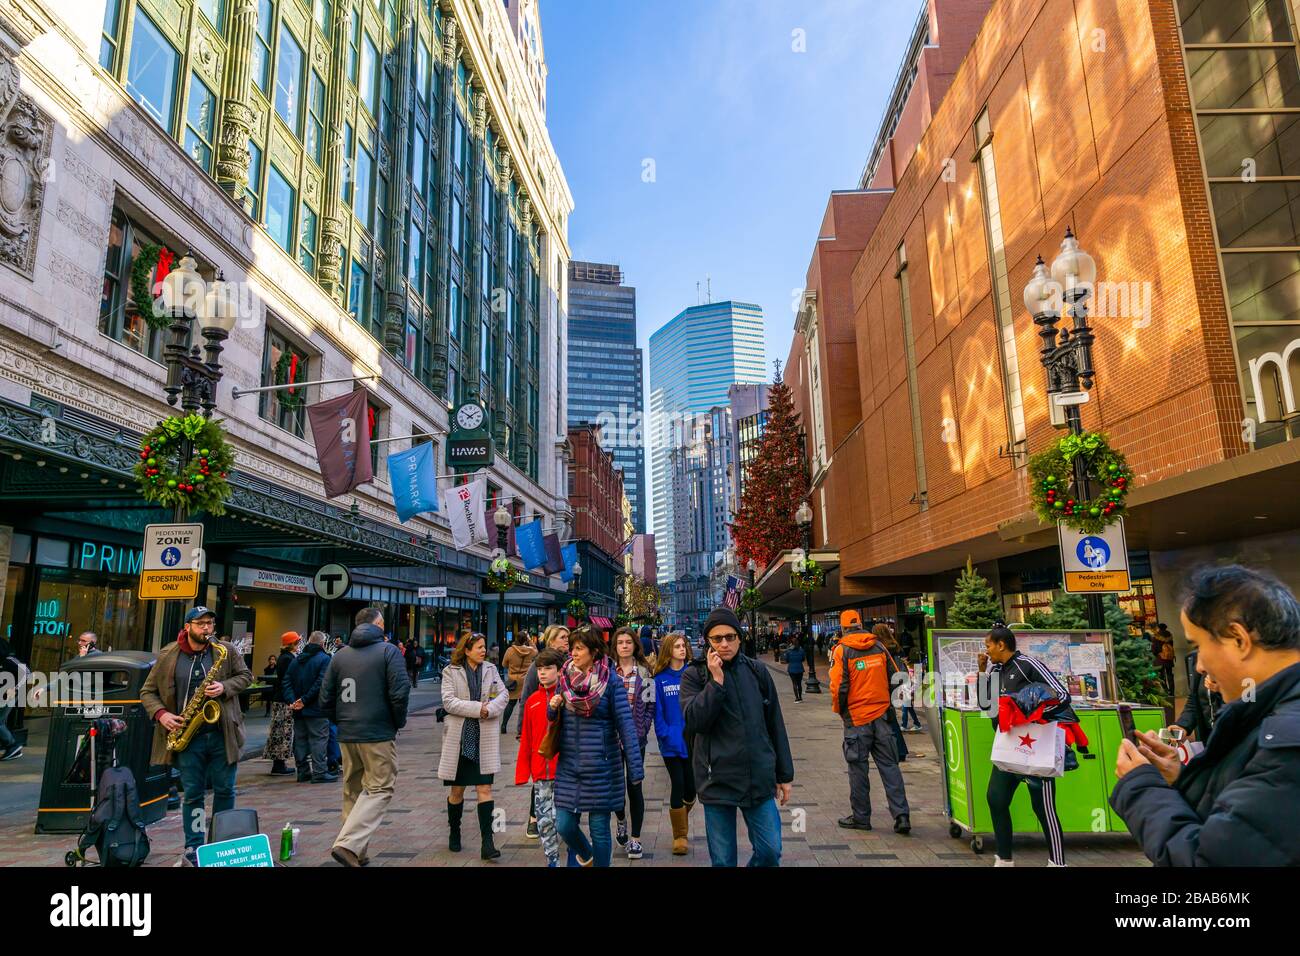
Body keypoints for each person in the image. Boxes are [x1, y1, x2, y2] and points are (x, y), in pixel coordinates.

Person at [1110, 565, 1300, 866]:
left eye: (1199, 645)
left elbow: (1209, 860)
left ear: (1238, 639)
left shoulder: (1287, 740)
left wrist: (1141, 788)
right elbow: (1245, 822)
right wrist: (1178, 779)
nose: (1199, 666)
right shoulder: (1269, 714)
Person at [681, 606, 793, 867]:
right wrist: (716, 683)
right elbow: (695, 720)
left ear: (740, 638)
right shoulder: (694, 675)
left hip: (757, 776)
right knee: (723, 860)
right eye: (717, 638)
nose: (724, 644)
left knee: (770, 852)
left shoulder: (757, 671)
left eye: (730, 637)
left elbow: (774, 723)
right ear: (707, 641)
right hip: (716, 778)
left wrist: (784, 775)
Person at [140, 606, 252, 867]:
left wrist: (225, 686)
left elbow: (246, 677)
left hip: (222, 733)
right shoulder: (169, 654)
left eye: (210, 623)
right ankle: (194, 843)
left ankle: (222, 842)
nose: (206, 628)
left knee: (225, 789)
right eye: (201, 624)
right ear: (187, 626)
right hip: (188, 737)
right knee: (192, 794)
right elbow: (147, 692)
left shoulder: (225, 650)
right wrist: (162, 715)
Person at [319, 607, 410, 867]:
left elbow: (325, 698)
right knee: (381, 787)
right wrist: (396, 722)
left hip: (348, 732)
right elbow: (400, 692)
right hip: (377, 730)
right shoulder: (388, 651)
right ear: (378, 624)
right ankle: (348, 844)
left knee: (353, 790)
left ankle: (357, 852)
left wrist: (341, 721)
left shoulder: (340, 655)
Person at [978, 623, 1071, 867]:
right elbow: (986, 706)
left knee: (1044, 809)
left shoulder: (1028, 665)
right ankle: (1004, 858)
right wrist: (981, 672)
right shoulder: (996, 669)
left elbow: (1062, 696)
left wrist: (1032, 715)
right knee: (995, 798)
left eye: (988, 645)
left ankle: (1057, 862)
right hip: (1008, 747)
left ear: (1001, 644)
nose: (986, 651)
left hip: (1035, 747)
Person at [551, 626, 643, 867]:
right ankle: (587, 855)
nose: (573, 653)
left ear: (593, 652)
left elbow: (626, 724)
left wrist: (635, 767)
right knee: (564, 824)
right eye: (572, 648)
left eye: (579, 648)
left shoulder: (610, 681)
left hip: (602, 768)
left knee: (600, 830)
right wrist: (553, 709)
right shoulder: (565, 678)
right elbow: (555, 721)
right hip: (570, 765)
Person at [829, 612, 911, 834]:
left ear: (844, 627)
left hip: (857, 720)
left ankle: (861, 818)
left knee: (858, 769)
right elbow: (896, 677)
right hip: (882, 716)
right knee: (890, 766)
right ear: (861, 624)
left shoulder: (841, 650)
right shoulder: (879, 647)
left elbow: (838, 687)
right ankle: (902, 816)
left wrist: (840, 711)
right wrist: (887, 703)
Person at [438, 631, 509, 861]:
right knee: (457, 790)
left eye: (483, 646)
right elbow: (449, 702)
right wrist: (480, 708)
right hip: (459, 738)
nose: (483, 650)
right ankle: (455, 830)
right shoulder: (451, 671)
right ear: (466, 650)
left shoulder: (490, 669)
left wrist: (491, 708)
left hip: (484, 736)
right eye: (478, 647)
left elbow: (503, 695)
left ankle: (487, 843)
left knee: (484, 789)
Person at [515, 647, 565, 866]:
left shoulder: (566, 698)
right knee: (544, 821)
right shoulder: (532, 701)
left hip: (564, 770)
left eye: (548, 668)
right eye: (540, 669)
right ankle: (552, 860)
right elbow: (526, 738)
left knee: (563, 821)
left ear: (560, 671)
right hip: (540, 772)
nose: (542, 673)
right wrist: (522, 772)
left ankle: (573, 854)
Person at [611, 626, 654, 860]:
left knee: (634, 787)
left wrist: (642, 729)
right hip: (612, 740)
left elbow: (650, 706)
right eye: (621, 642)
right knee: (617, 787)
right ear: (615, 646)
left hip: (636, 739)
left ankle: (635, 839)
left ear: (635, 645)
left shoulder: (645, 672)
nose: (625, 646)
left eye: (628, 642)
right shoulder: (607, 671)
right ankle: (620, 820)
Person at [653, 631, 696, 854]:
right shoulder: (658, 680)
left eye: (684, 646)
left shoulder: (692, 675)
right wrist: (666, 735)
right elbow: (656, 713)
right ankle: (680, 836)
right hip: (670, 742)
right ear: (668, 649)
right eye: (678, 646)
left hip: (691, 740)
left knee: (692, 789)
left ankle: (680, 816)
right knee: (678, 784)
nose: (682, 649)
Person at [286, 631, 337, 783]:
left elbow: (286, 681)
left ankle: (302, 771)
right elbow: (321, 683)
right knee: (319, 739)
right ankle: (319, 771)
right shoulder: (324, 659)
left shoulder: (296, 660)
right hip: (316, 707)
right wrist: (304, 700)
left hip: (299, 708)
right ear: (322, 644)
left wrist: (293, 701)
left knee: (300, 739)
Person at [516, 625, 569, 734]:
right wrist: (521, 730)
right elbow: (526, 696)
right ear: (551, 641)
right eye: (562, 637)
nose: (567, 640)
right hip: (543, 722)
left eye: (567, 637)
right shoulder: (538, 664)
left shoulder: (570, 663)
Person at [262, 633, 299, 776]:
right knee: (282, 731)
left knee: (280, 731)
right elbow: (289, 679)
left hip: (282, 698)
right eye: (296, 643)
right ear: (292, 643)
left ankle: (279, 763)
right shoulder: (287, 659)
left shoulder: (284, 658)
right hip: (284, 699)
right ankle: (279, 764)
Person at [875, 624, 912, 762]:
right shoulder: (896, 646)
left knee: (890, 720)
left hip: (887, 685)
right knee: (891, 718)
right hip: (898, 683)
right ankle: (900, 750)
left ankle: (898, 750)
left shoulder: (880, 649)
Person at [1175, 651, 1222, 743]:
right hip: (1208, 735)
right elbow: (1194, 699)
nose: (1199, 668)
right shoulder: (1192, 658)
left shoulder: (1246, 670)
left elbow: (1249, 705)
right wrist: (1183, 725)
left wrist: (1223, 691)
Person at [501, 630, 537, 735]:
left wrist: (512, 668)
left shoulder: (510, 650)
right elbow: (536, 651)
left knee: (511, 703)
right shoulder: (530, 651)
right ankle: (523, 728)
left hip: (513, 680)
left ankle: (504, 725)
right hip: (525, 680)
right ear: (526, 640)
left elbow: (504, 664)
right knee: (525, 704)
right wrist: (530, 640)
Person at [0, 633, 25, 760]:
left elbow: (27, 673)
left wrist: (14, 689)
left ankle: (13, 746)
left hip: (8, 695)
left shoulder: (9, 660)